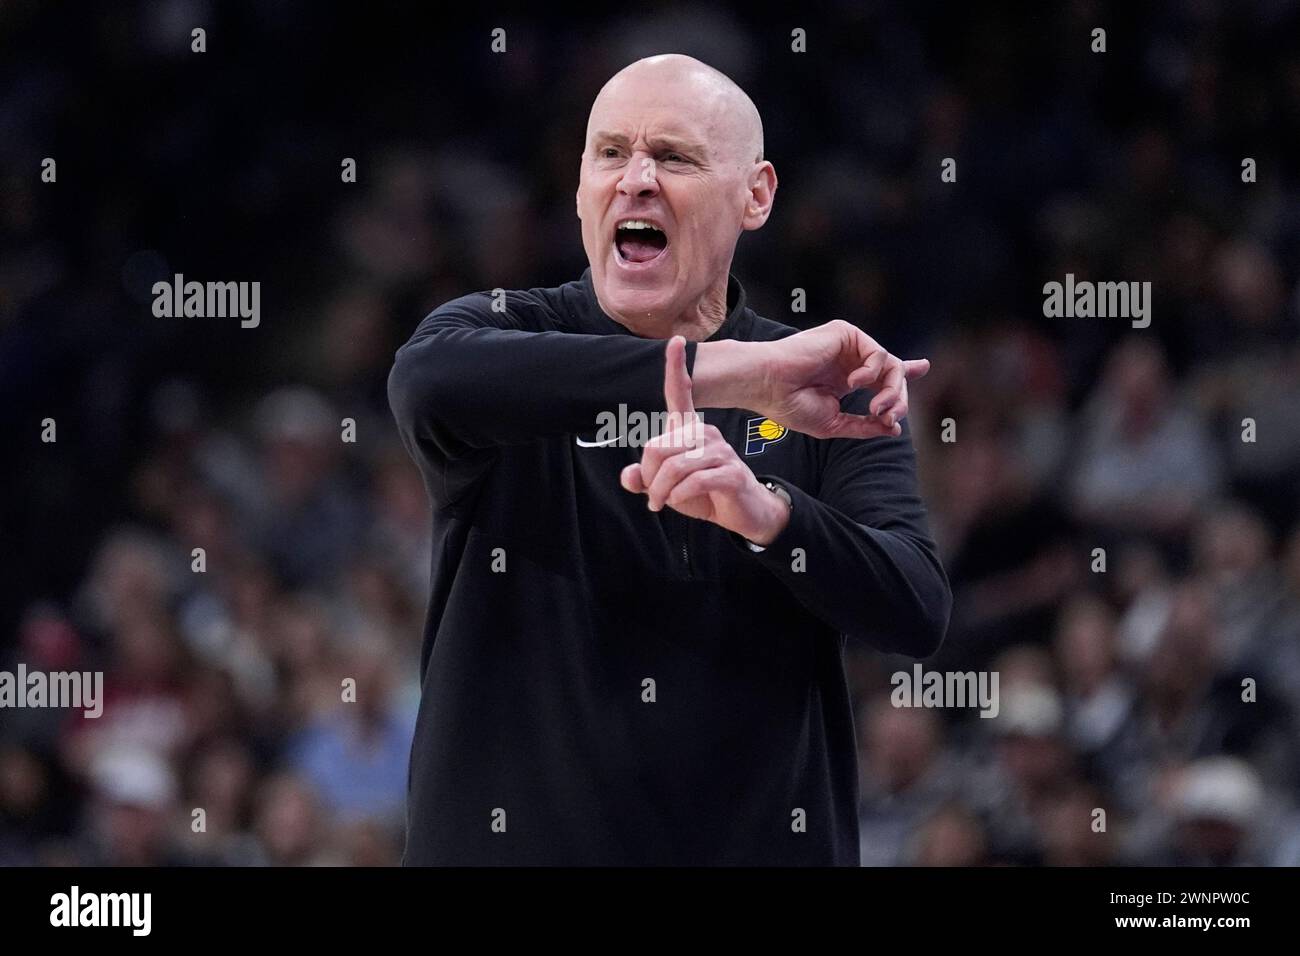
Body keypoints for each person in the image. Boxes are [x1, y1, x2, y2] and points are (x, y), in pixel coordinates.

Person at [387, 53, 950, 865]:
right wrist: (735, 373)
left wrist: (770, 517)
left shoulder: (829, 385)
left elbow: (915, 608)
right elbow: (427, 383)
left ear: (755, 195)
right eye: (610, 153)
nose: (636, 179)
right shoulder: (505, 334)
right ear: (581, 188)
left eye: (675, 157)